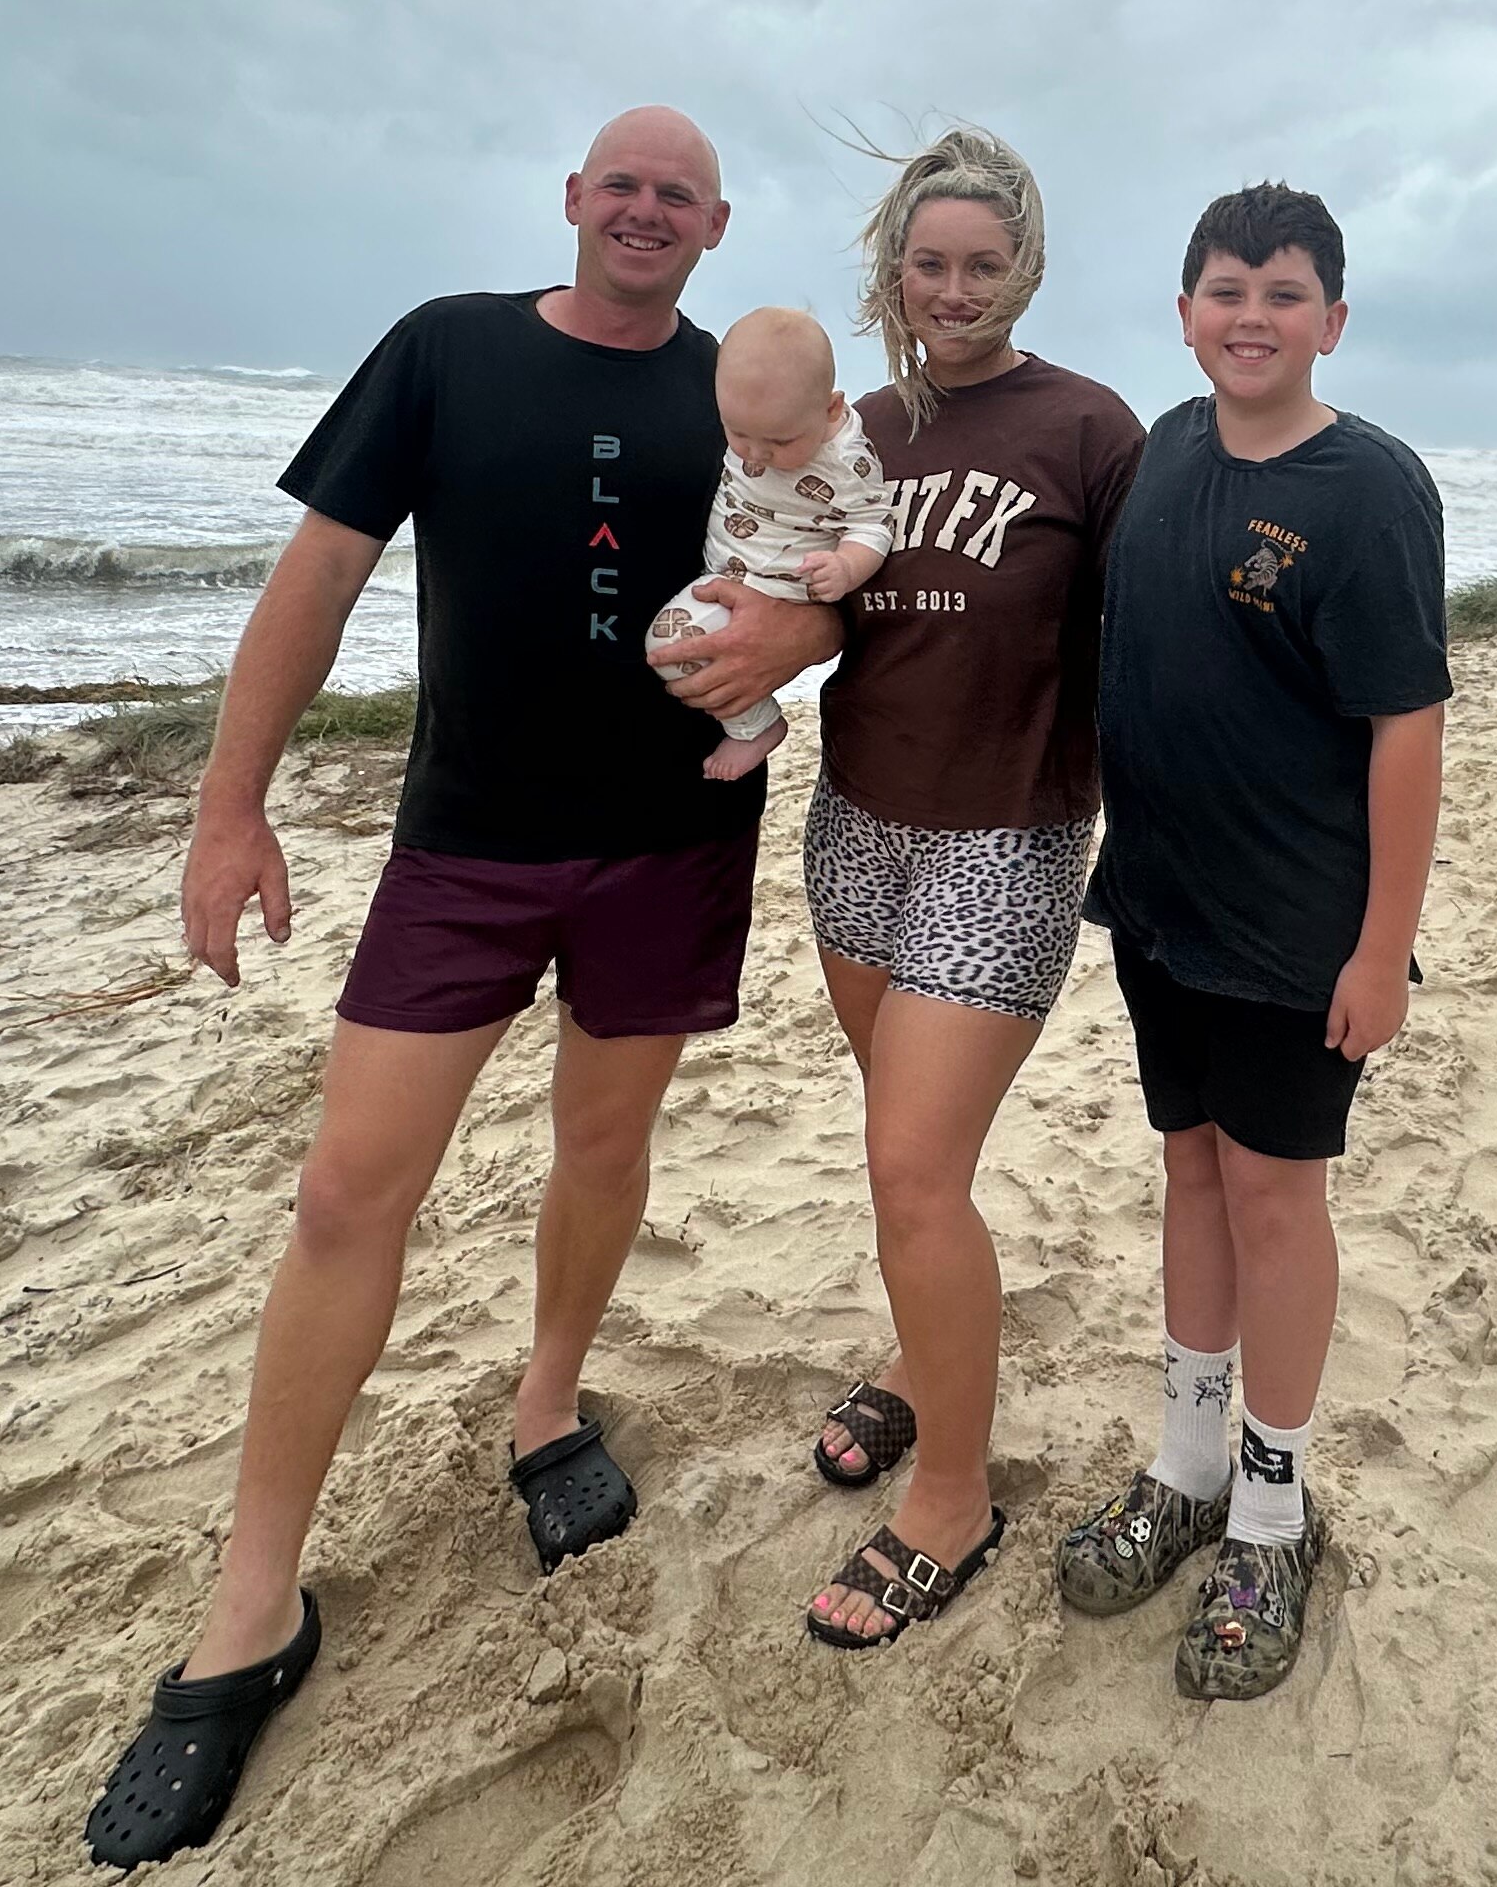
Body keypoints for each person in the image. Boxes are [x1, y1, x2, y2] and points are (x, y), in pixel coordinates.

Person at [80, 107, 842, 1872]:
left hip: (665, 843)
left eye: (678, 192)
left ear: (715, 226)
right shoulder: (445, 347)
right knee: (350, 1185)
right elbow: (321, 574)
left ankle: (548, 1399)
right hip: (463, 846)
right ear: (575, 202)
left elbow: (835, 562)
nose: (646, 209)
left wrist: (798, 642)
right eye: (620, 183)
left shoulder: (747, 387)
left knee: (601, 1144)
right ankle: (251, 1602)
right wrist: (227, 804)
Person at [1052, 182, 1447, 1701]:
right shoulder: (1163, 451)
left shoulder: (1371, 489)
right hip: (1159, 906)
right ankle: (1188, 1462)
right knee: (1193, 1172)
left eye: (1285, 293)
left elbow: (1406, 728)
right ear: (1185, 310)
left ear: (1331, 320)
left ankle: (1273, 1513)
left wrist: (1380, 947)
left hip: (1298, 928)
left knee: (1280, 1200)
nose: (1253, 316)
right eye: (1226, 289)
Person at [793, 128, 1146, 1647]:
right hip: (857, 822)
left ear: (1028, 271)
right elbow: (795, 609)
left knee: (911, 1174)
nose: (954, 288)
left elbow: (1150, 644)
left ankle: (953, 1490)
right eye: (928, 264)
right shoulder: (856, 429)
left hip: (1008, 837)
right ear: (894, 272)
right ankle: (925, 1357)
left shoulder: (1089, 429)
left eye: (981, 265)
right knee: (902, 1154)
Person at [647, 307, 894, 781]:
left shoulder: (846, 464)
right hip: (726, 566)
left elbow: (874, 524)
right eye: (738, 433)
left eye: (780, 442)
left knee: (669, 641)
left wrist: (845, 567)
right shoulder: (757, 416)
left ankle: (756, 727)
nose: (756, 455)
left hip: (777, 586)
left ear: (831, 410)